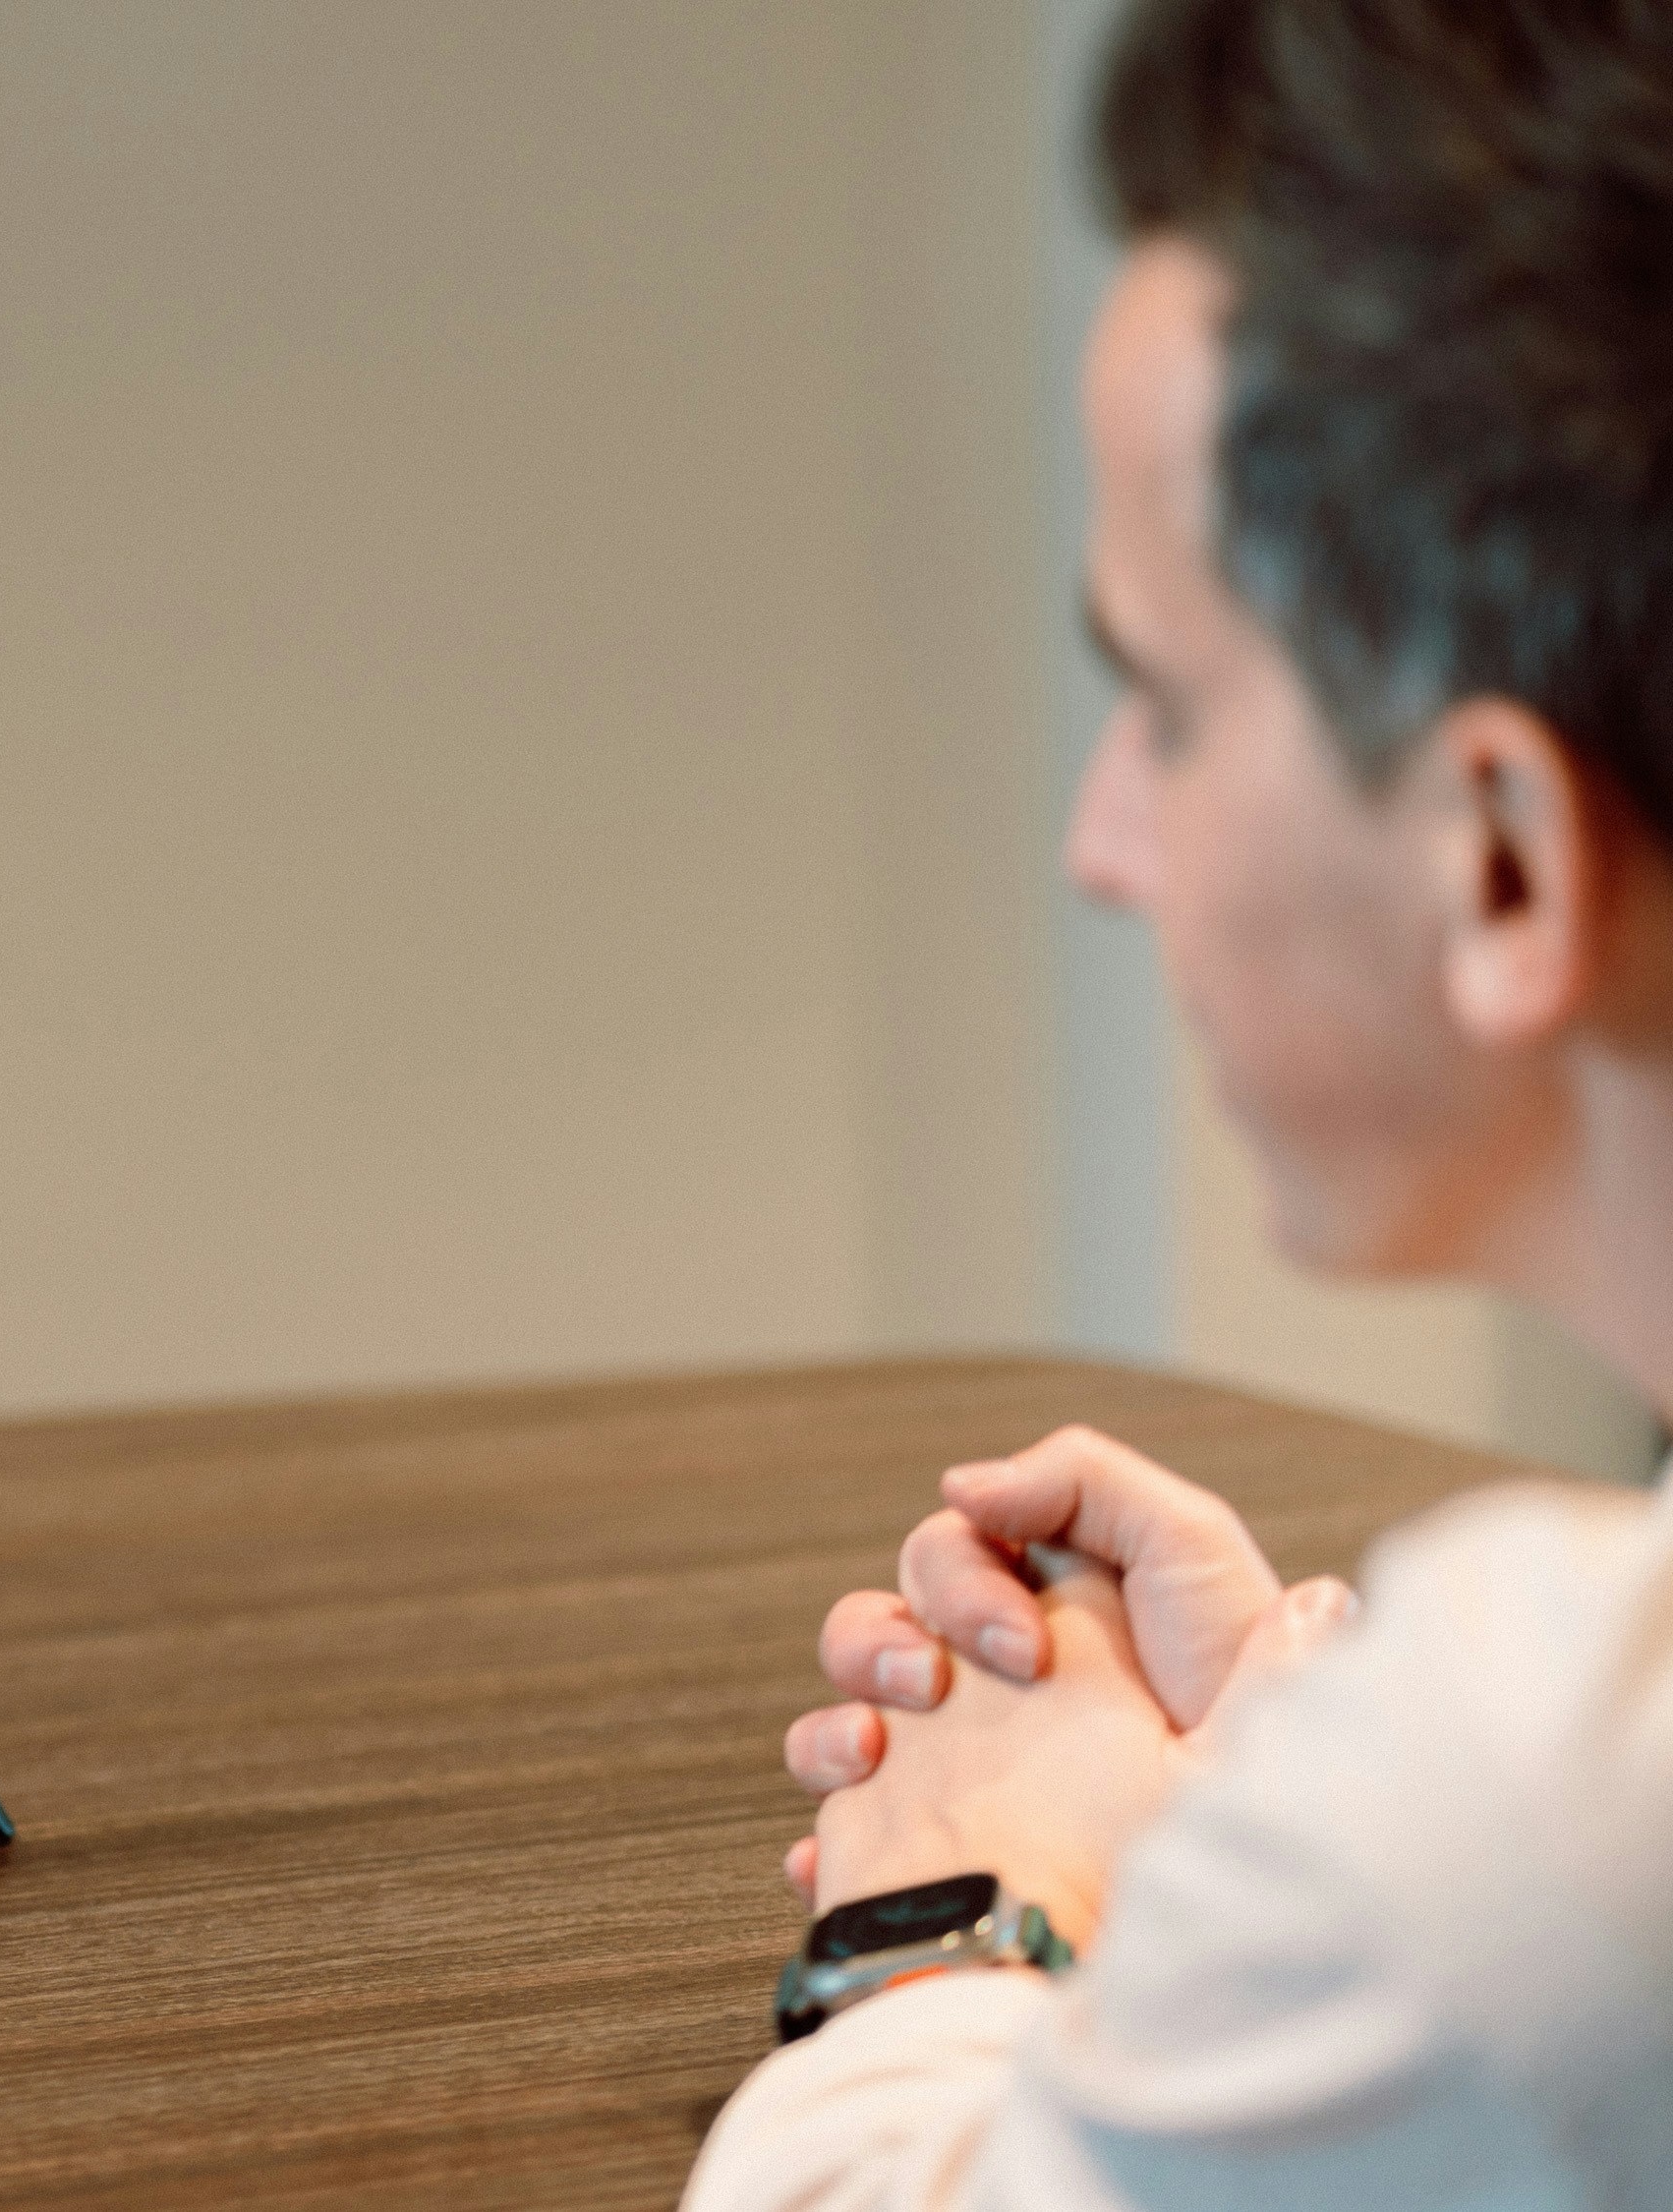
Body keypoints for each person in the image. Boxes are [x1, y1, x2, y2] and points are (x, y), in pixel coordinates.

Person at [688, 0, 1673, 2202]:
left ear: (1497, 856)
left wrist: (960, 1914)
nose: (1097, 843)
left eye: (1162, 705)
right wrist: (1299, 1794)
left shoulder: (1561, 1791)